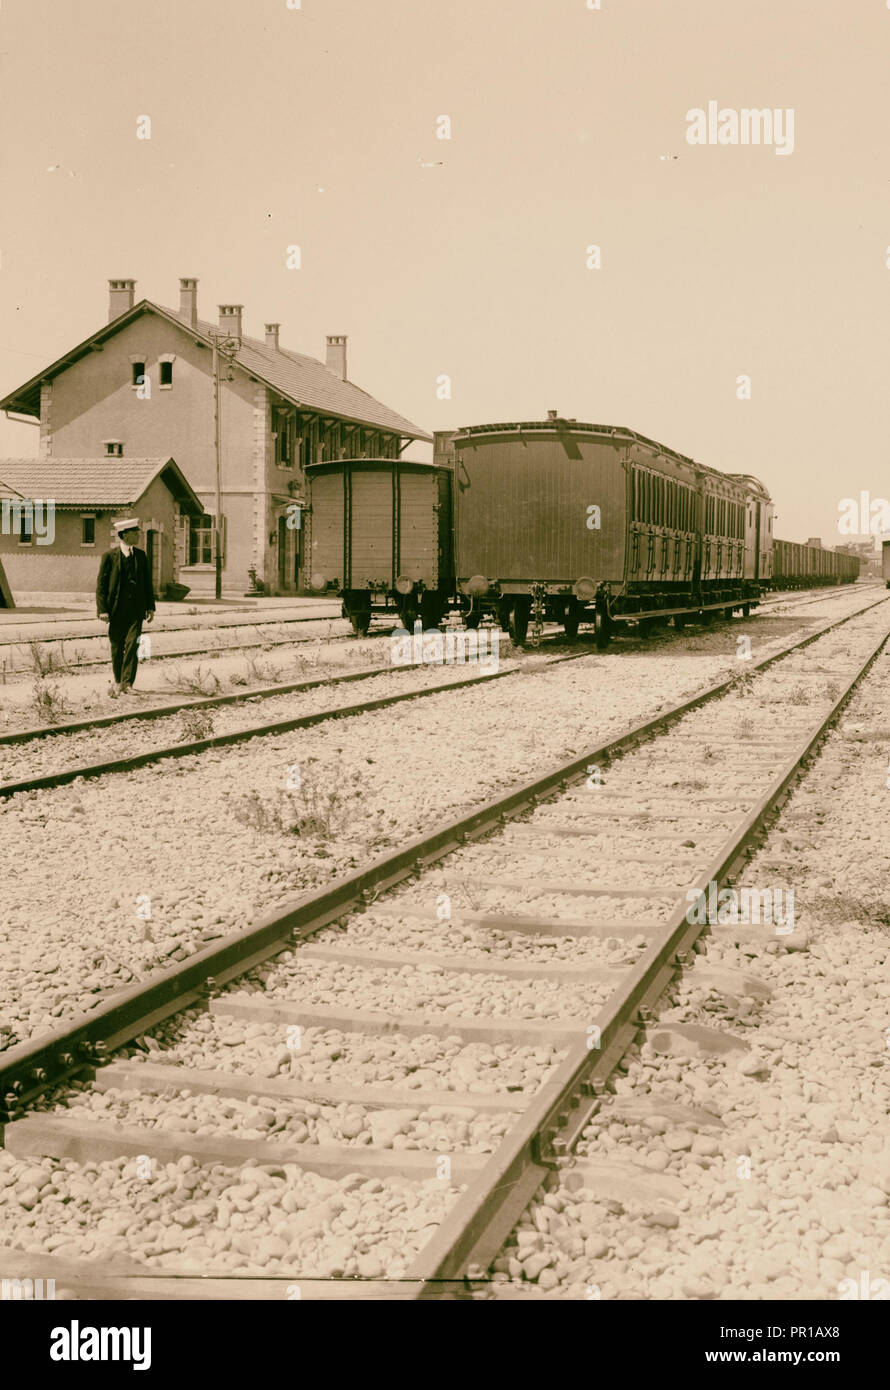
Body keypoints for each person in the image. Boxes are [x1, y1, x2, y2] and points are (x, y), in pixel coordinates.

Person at [96, 518, 155, 696]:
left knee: (132, 645)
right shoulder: (109, 557)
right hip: (115, 610)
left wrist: (150, 607)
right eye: (135, 532)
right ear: (125, 535)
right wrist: (102, 610)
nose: (139, 535)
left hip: (136, 610)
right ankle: (118, 681)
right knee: (116, 646)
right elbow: (101, 585)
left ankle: (128, 683)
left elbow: (147, 583)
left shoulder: (141, 556)